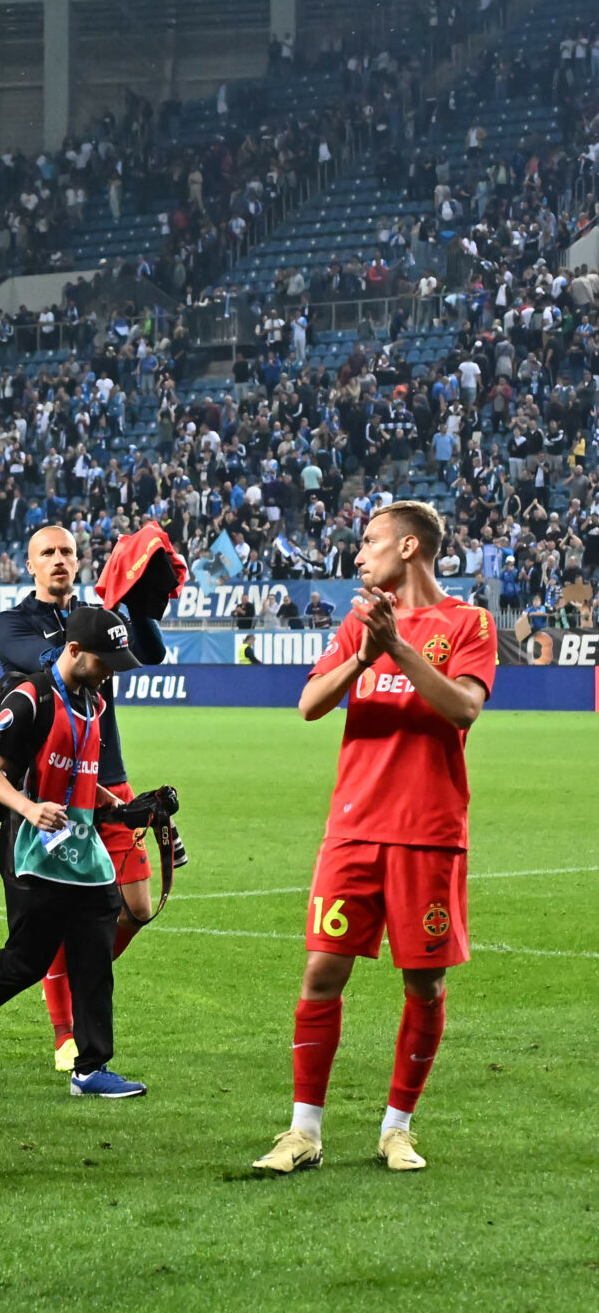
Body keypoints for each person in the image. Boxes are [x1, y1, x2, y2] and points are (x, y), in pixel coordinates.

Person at [253, 501, 496, 1176]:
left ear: (410, 547)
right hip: (353, 829)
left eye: (369, 541)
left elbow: (464, 707)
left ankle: (397, 1128)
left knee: (423, 984)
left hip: (427, 832)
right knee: (321, 972)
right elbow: (309, 704)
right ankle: (303, 1131)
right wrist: (364, 654)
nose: (358, 555)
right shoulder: (357, 622)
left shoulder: (467, 622)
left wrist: (398, 649)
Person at [0, 603, 151, 1100]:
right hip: (30, 846)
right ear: (74, 651)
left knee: (94, 951)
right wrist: (29, 809)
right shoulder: (29, 698)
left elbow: (82, 778)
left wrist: (122, 808)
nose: (112, 671)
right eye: (105, 660)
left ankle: (91, 1066)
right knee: (27, 961)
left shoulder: (92, 702)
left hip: (79, 846)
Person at [0, 525, 168, 1071]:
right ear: (30, 564)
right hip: (54, 785)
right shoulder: (14, 623)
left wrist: (136, 600)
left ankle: (69, 977)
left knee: (137, 907)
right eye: (47, 553)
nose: (60, 560)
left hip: (108, 775)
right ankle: (64, 1032)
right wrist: (102, 623)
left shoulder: (97, 613)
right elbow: (49, 665)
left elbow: (153, 651)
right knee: (58, 917)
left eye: (67, 551)